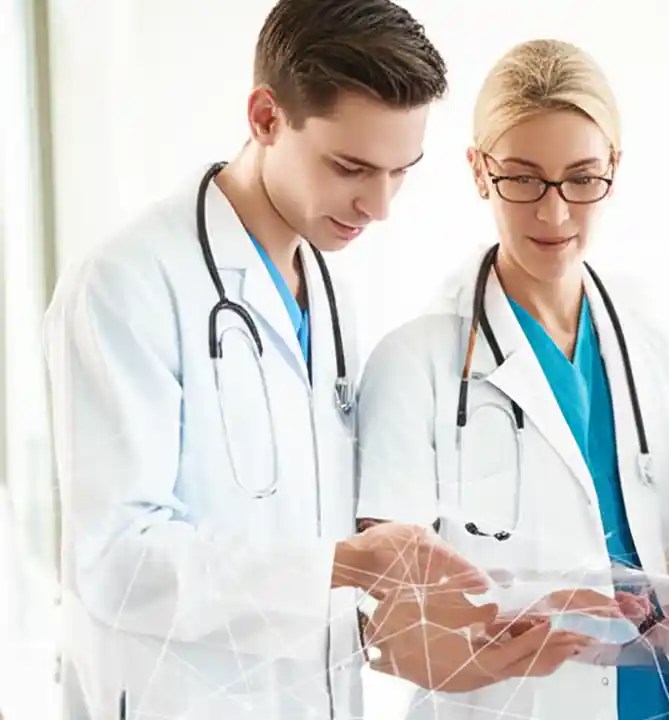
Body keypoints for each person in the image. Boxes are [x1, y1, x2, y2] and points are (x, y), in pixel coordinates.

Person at [43, 2, 534, 718]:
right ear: (266, 117)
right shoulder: (128, 285)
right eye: (351, 167)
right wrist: (339, 566)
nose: (379, 205)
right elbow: (117, 563)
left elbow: (293, 545)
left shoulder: (329, 291)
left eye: (402, 172)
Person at [355, 38, 669, 720]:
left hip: (657, 703)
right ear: (478, 171)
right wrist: (507, 628)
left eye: (582, 179)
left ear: (614, 167)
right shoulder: (417, 365)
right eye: (523, 178)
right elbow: (387, 618)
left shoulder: (657, 354)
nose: (554, 214)